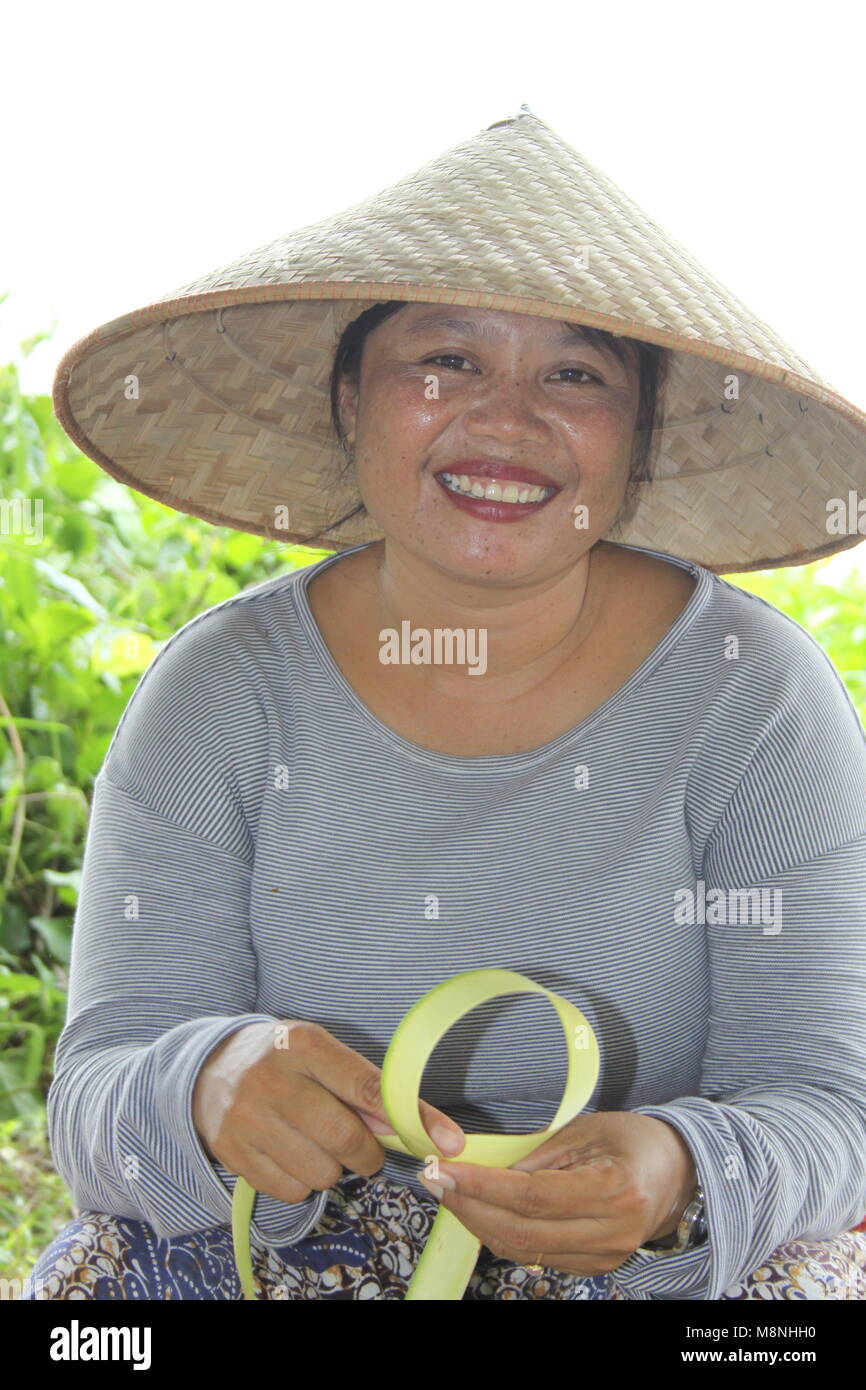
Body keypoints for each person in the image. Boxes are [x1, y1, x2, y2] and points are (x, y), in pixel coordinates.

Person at [23, 108, 866, 1300]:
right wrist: (207, 1082)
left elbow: (829, 1107)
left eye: (574, 372)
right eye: (445, 360)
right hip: (291, 1259)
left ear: (635, 433)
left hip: (639, 1275)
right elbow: (99, 1101)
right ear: (351, 401)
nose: (506, 419)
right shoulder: (219, 695)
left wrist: (672, 1168)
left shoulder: (753, 698)